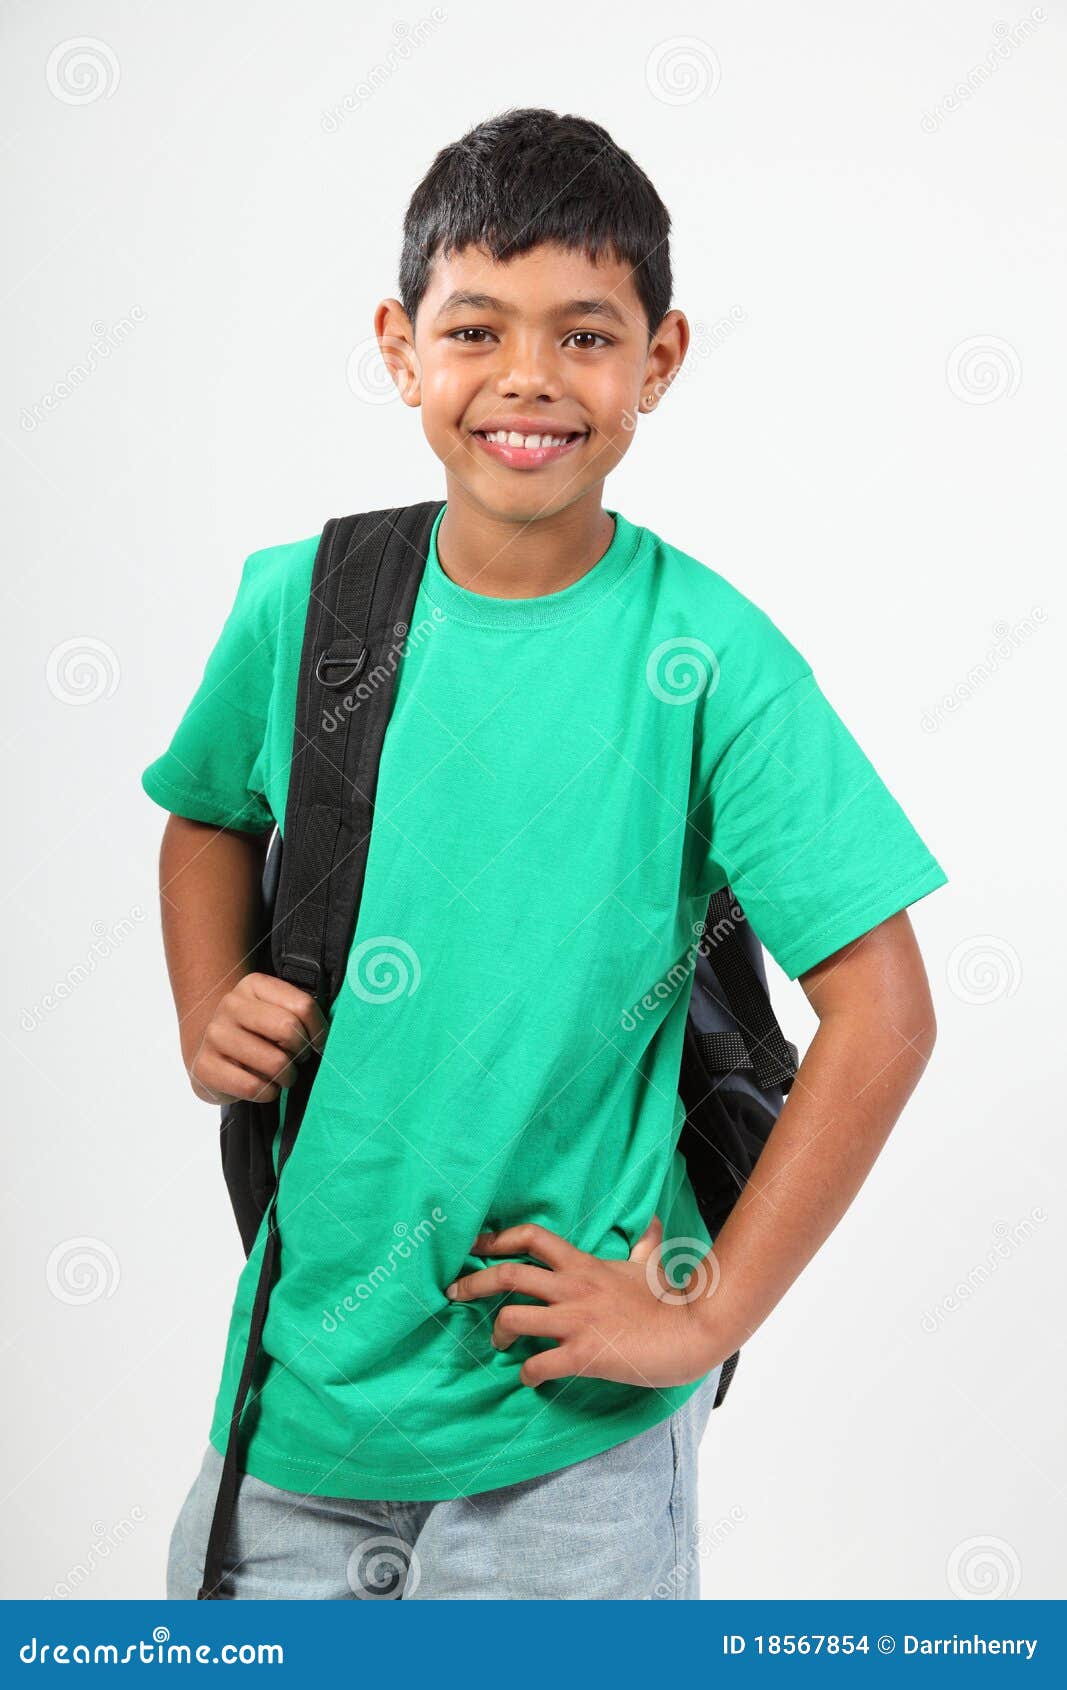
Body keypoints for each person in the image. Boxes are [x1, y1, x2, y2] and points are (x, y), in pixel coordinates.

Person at [144, 108, 947, 1600]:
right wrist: (207, 1002)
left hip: (572, 1463)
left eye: (585, 334)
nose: (527, 378)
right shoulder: (304, 607)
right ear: (400, 349)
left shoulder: (712, 659)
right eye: (476, 328)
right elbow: (206, 814)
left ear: (661, 358)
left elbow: (885, 1010)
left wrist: (702, 1317)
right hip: (291, 1418)